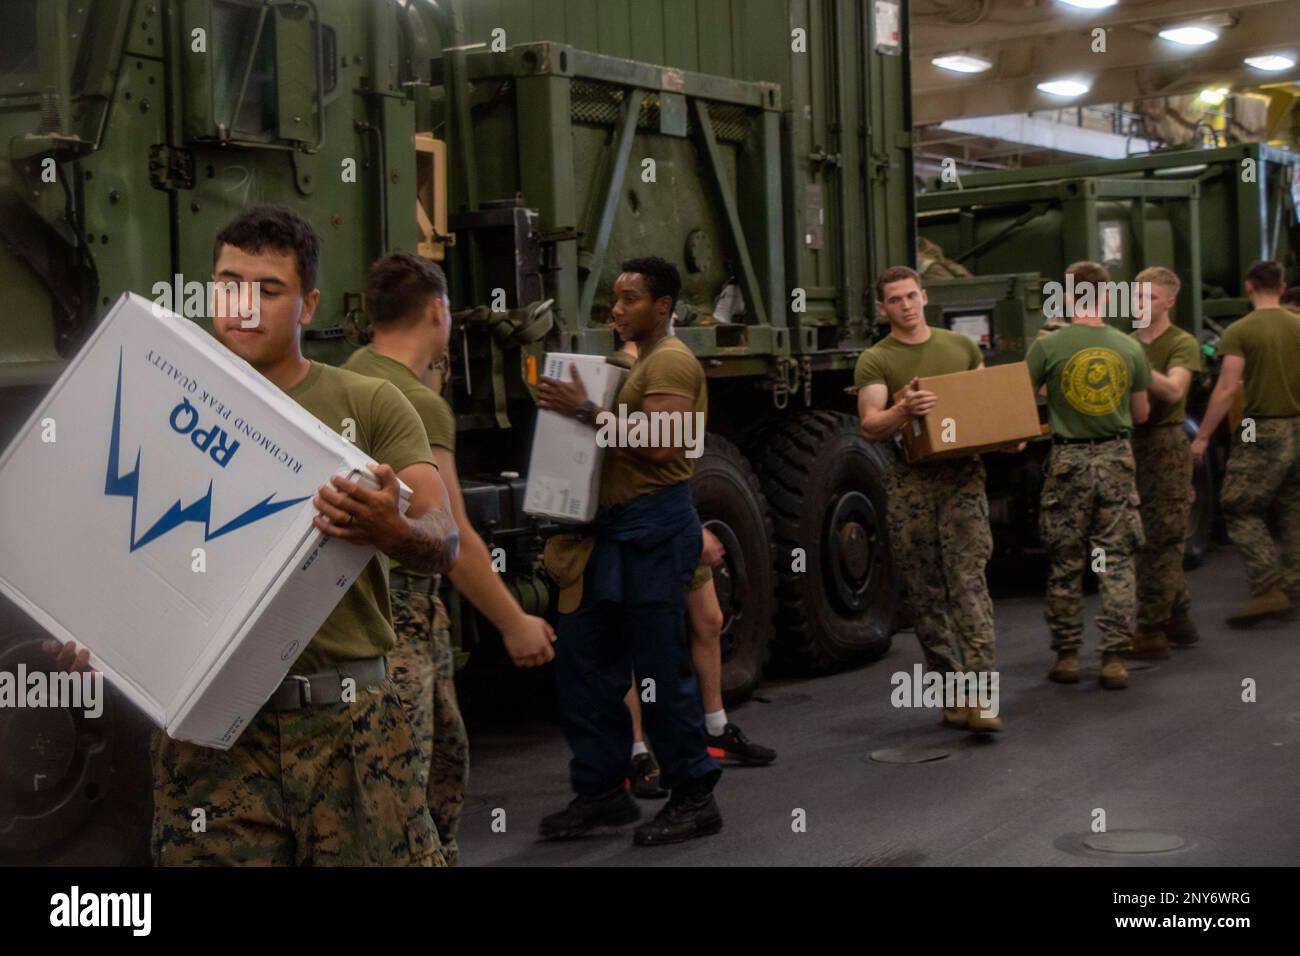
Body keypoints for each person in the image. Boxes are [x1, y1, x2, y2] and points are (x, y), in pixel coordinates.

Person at [50, 205, 462, 865]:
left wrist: (393, 526)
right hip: (209, 742)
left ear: (308, 305)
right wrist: (84, 631)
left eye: (268, 290)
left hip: (350, 730)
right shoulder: (155, 406)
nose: (244, 305)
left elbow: (444, 540)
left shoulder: (369, 404)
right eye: (229, 284)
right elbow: (101, 552)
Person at [342, 251, 556, 864]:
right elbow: (451, 533)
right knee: (418, 781)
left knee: (440, 754)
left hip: (371, 608)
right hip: (404, 618)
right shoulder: (417, 401)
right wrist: (514, 622)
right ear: (439, 312)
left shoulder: (355, 371)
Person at [535, 256, 722, 846]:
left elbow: (662, 443)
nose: (617, 309)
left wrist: (584, 411)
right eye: (614, 299)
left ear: (663, 305)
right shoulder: (635, 362)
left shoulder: (672, 359)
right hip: (608, 534)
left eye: (631, 298)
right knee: (586, 667)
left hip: (654, 530)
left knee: (661, 671)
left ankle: (694, 795)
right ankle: (601, 793)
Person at [855, 265, 1003, 733]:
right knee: (925, 593)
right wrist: (903, 409)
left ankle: (982, 697)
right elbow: (869, 425)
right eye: (895, 299)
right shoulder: (876, 360)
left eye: (912, 296)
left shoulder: (959, 347)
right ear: (883, 308)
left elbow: (985, 406)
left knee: (969, 583)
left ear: (924, 296)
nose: (906, 305)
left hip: (962, 478)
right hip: (910, 483)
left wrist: (1006, 432)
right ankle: (952, 692)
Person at [1027, 261, 1151, 690]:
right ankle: (1114, 659)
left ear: (1065, 296)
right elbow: (1142, 413)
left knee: (1066, 562)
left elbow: (1021, 404)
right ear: (1106, 295)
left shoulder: (1047, 347)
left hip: (1068, 462)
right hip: (1117, 460)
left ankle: (1066, 656)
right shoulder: (1130, 348)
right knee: (1116, 562)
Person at [1191, 260, 1300, 625]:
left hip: (1261, 427)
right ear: (1282, 288)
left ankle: (1268, 586)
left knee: (1238, 505)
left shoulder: (1240, 331)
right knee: (1291, 504)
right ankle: (1293, 584)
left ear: (1248, 286)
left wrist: (1203, 435)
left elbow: (1226, 389)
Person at [1125, 267, 1204, 657]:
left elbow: (1174, 390)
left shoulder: (1181, 342)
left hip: (1166, 444)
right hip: (1130, 443)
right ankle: (1178, 616)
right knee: (1139, 536)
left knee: (1165, 536)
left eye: (1149, 297)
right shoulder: (1124, 341)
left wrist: (1133, 361)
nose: (1140, 304)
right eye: (1136, 296)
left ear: (1170, 300)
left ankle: (1151, 628)